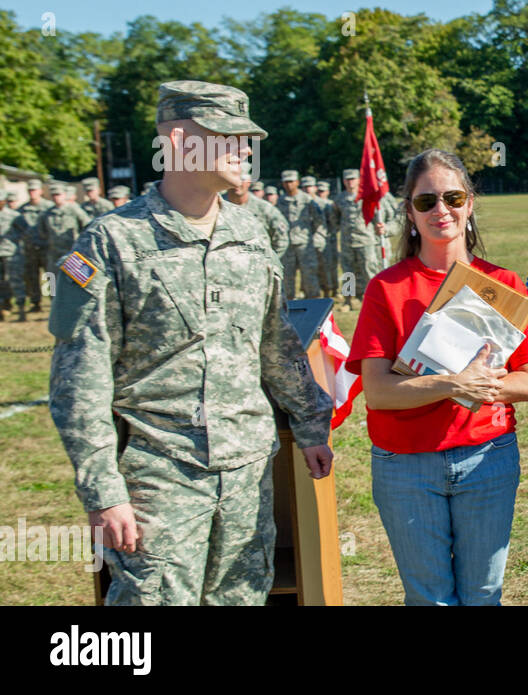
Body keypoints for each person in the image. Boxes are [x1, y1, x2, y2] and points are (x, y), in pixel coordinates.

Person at [48, 80, 334, 606]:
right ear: (180, 141)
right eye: (230, 137)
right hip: (159, 476)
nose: (247, 151)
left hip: (248, 473)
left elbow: (276, 343)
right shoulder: (110, 242)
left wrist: (312, 422)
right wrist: (103, 491)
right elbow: (79, 383)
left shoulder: (251, 233)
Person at [348, 149, 528, 605]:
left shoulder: (504, 284)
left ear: (470, 203)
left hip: (487, 459)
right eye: (426, 201)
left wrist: (480, 385)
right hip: (405, 466)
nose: (442, 210)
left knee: (483, 595)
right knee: (429, 599)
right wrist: (453, 384)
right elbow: (378, 393)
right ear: (410, 211)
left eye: (453, 197)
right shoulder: (387, 287)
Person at [335, 168, 385, 310]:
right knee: (348, 273)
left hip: (366, 241)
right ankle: (348, 301)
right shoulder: (339, 199)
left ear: (359, 180)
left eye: (353, 179)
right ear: (344, 181)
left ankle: (373, 300)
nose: (350, 182)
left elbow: (377, 218)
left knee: (369, 271)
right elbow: (335, 219)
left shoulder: (367, 197)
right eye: (347, 179)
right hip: (347, 242)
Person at [277, 170, 321, 298]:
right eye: (286, 182)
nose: (289, 185)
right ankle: (289, 303)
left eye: (291, 181)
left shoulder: (307, 200)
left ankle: (313, 300)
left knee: (309, 274)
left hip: (305, 244)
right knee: (287, 276)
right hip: (287, 245)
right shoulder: (280, 201)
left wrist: (313, 235)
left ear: (297, 182)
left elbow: (319, 219)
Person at [225, 175, 288, 257]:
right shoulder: (214, 206)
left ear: (249, 182)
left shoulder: (264, 208)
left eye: (242, 179)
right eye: (233, 178)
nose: (238, 183)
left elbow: (281, 239)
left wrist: (269, 261)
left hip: (256, 266)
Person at [14, 179, 53, 314]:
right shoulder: (22, 209)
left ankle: (53, 301)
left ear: (40, 191)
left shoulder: (49, 207)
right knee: (31, 277)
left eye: (34, 190)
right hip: (29, 249)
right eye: (30, 190)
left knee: (49, 275)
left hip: (46, 248)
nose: (32, 193)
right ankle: (35, 302)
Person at [39, 184, 92, 273]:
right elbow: (43, 232)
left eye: (58, 194)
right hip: (54, 254)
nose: (56, 197)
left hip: (72, 253)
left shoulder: (74, 209)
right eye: (53, 195)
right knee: (53, 282)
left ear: (64, 195)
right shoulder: (47, 213)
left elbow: (88, 226)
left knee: (75, 281)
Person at [0, 193, 24, 321]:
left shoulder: (14, 216)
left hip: (11, 253)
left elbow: (26, 231)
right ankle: (4, 307)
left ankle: (21, 308)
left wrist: (14, 240)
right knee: (1, 282)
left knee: (15, 281)